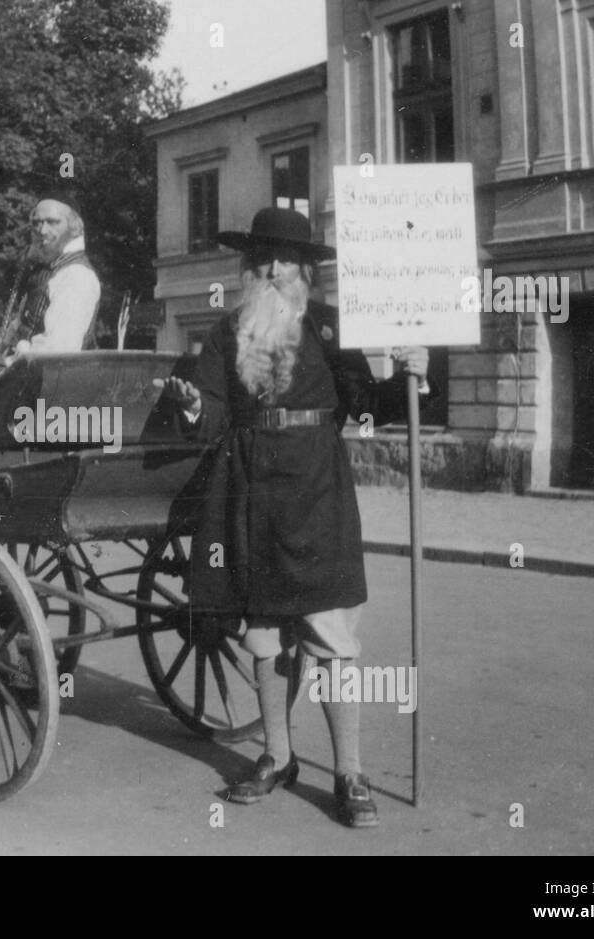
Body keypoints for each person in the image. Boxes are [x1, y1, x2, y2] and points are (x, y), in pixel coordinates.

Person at [158, 207, 432, 827]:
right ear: (250, 269)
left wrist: (414, 374)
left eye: (284, 258)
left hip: (316, 489)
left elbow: (371, 406)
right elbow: (214, 411)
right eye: (261, 260)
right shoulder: (229, 333)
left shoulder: (334, 329)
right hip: (249, 487)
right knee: (263, 635)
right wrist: (195, 404)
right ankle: (277, 757)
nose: (273, 269)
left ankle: (348, 771)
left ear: (305, 269)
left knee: (330, 634)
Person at [0, 190, 101, 357]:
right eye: (37, 223)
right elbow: (20, 325)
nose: (42, 230)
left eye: (53, 222)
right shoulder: (45, 269)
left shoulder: (77, 276)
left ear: (75, 228)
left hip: (53, 379)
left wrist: (14, 354)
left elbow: (57, 351)